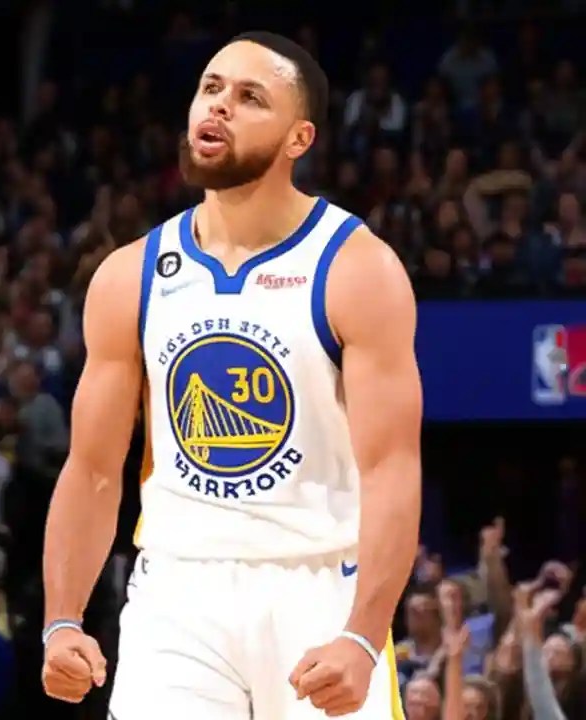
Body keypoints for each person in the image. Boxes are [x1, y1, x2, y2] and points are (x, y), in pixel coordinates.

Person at [40, 31, 423, 719]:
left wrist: (364, 637)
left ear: (298, 138)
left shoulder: (357, 268)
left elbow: (392, 469)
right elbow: (94, 469)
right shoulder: (130, 276)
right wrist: (62, 618)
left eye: (250, 98)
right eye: (211, 88)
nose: (217, 108)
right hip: (179, 590)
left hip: (319, 585)